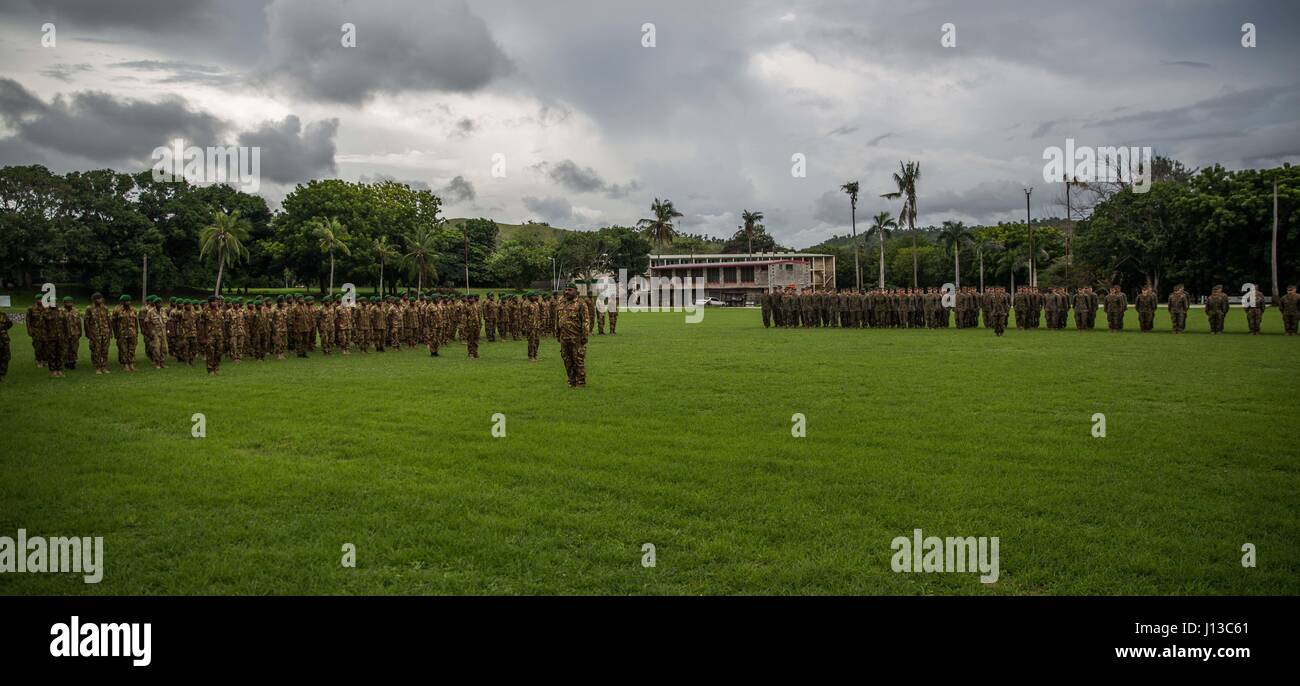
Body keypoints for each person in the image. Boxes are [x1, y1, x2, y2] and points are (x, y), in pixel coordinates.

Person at [557, 284, 590, 388]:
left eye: (569, 290)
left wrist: (584, 336)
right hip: (564, 337)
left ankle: (580, 382)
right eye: (566, 290)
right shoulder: (561, 303)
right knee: (567, 360)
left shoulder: (580, 304)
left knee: (578, 360)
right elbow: (557, 319)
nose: (567, 292)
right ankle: (571, 381)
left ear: (575, 291)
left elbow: (585, 321)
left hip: (576, 338)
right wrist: (557, 334)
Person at [200, 295, 225, 375]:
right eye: (213, 301)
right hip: (209, 335)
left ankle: (216, 368)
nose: (215, 303)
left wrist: (223, 334)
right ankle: (210, 369)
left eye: (216, 301)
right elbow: (202, 325)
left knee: (219, 352)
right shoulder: (204, 311)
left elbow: (222, 324)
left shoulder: (220, 311)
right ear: (209, 302)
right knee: (210, 352)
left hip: (219, 334)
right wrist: (203, 337)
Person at [62, 296, 81, 370]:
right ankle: (66, 363)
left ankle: (73, 362)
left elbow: (79, 323)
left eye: (70, 302)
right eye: (67, 302)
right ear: (64, 303)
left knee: (74, 348)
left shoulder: (76, 311)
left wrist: (80, 332)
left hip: (75, 333)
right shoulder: (61, 311)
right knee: (65, 348)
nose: (69, 303)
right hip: (65, 334)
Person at [0, 309, 10, 382]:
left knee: (5, 358)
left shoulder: (3, 315)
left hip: (4, 340)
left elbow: (9, 324)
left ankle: (2, 376)